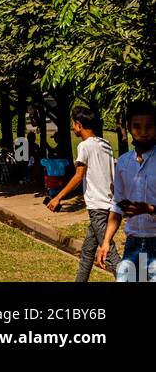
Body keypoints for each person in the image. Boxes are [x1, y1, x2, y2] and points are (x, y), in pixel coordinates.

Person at [47, 106, 118, 281]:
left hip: (98, 207)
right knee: (87, 251)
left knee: (110, 254)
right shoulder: (105, 144)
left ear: (79, 125)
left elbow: (79, 176)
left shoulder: (84, 146)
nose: (72, 127)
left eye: (73, 124)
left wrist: (57, 197)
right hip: (108, 204)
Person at [97, 99, 156, 282]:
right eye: (137, 126)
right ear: (129, 128)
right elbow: (117, 205)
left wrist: (149, 209)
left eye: (149, 126)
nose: (143, 132)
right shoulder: (123, 163)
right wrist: (106, 241)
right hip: (133, 244)